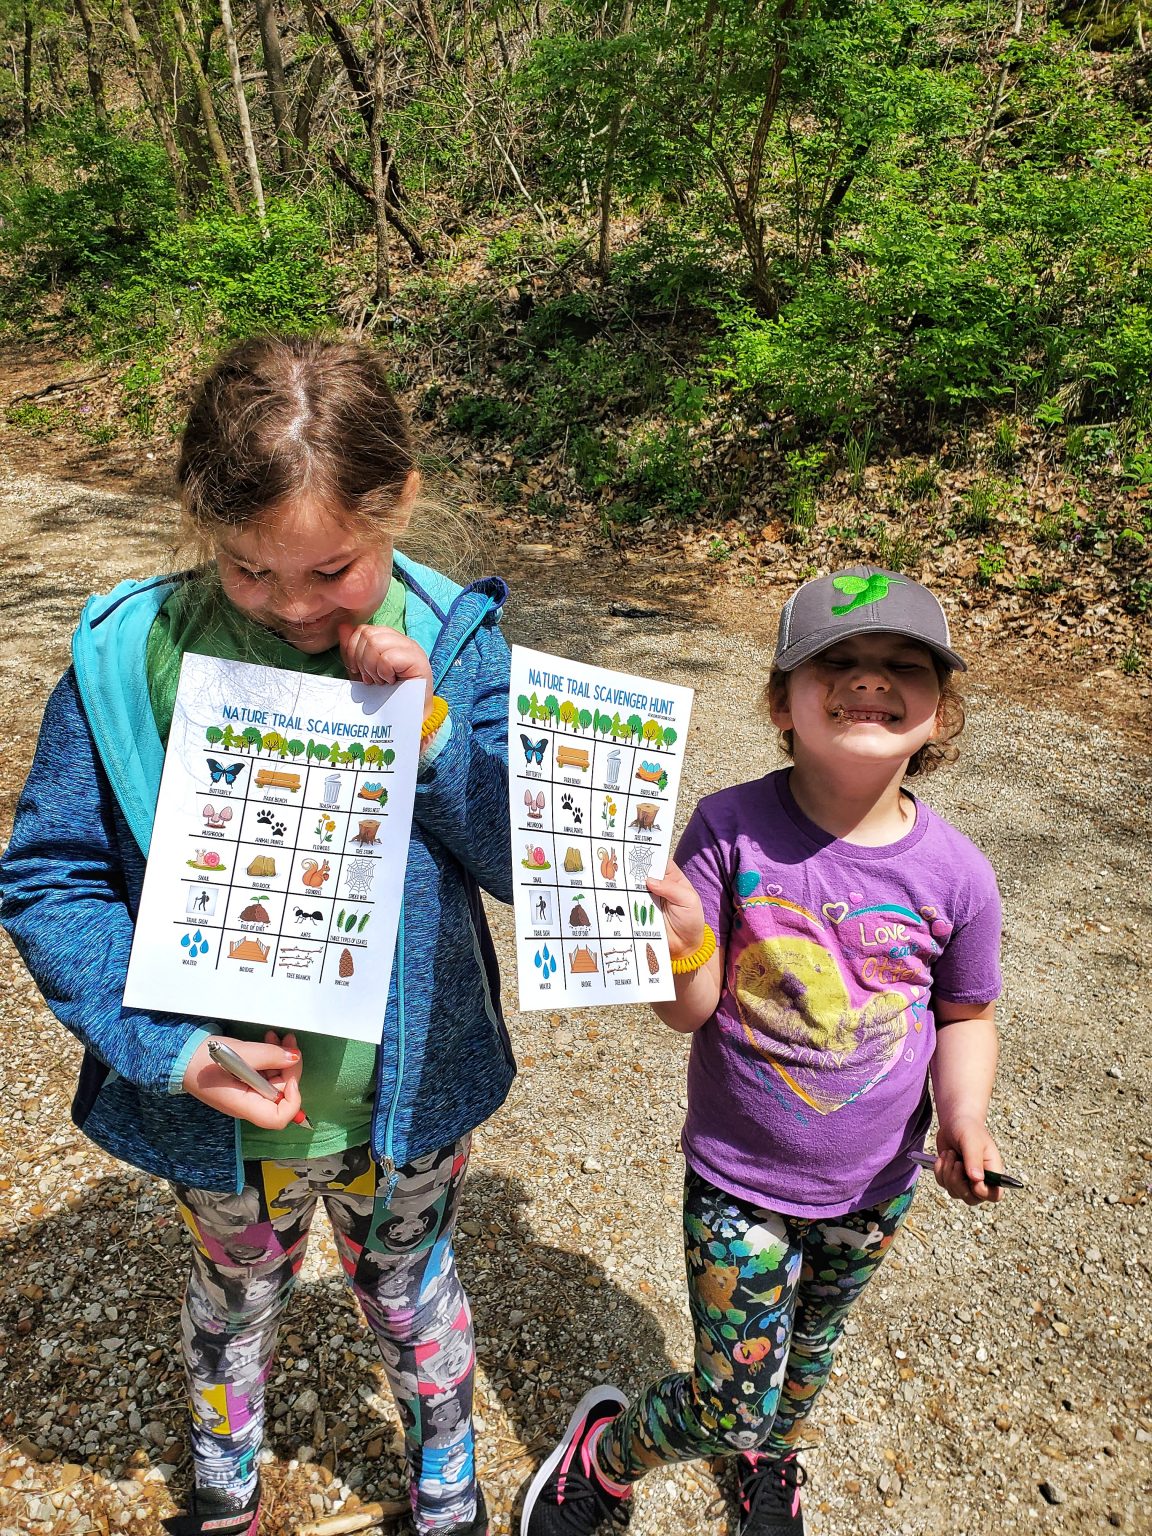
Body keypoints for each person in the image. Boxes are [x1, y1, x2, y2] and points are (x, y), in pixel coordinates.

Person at [0, 336, 515, 1536]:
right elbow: (51, 876)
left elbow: (516, 856)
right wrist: (169, 1048)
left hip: (405, 1096)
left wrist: (425, 728)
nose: (290, 607)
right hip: (218, 1107)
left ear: (400, 506)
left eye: (332, 569)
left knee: (409, 1280)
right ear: (199, 525)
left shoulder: (454, 636)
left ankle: (447, 1479)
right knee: (235, 1289)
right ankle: (224, 1487)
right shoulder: (129, 657)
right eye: (246, 570)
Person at [522, 567, 1006, 1536]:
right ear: (780, 701)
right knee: (731, 1391)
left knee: (809, 1358)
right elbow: (688, 1011)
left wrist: (965, 1119)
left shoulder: (959, 874)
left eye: (901, 665)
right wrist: (685, 946)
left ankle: (767, 1460)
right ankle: (606, 1457)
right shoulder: (729, 829)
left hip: (876, 1187)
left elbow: (965, 1015)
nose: (869, 680)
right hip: (740, 1180)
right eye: (837, 663)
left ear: (940, 715)